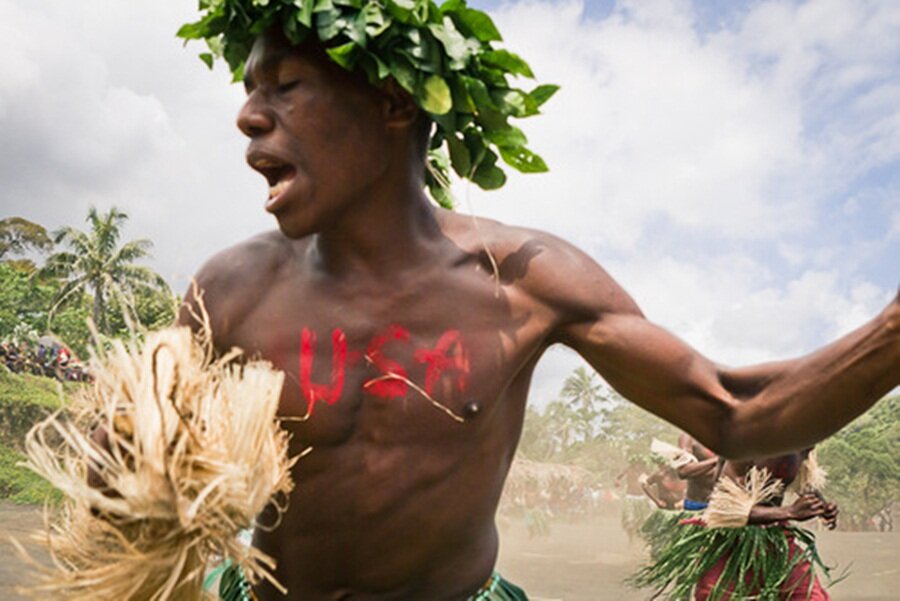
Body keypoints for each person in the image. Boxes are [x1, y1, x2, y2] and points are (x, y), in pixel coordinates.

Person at [179, 24, 900, 601]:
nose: (247, 115)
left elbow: (735, 410)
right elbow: (141, 469)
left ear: (394, 102)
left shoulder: (523, 281)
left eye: (286, 86)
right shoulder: (229, 291)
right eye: (250, 89)